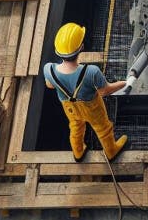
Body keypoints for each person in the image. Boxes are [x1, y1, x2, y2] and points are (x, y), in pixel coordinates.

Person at [44, 22, 130, 162]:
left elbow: (49, 85)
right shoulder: (91, 72)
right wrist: (124, 83)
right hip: (92, 107)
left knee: (76, 127)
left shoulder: (49, 69)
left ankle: (78, 152)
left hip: (69, 107)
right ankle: (111, 151)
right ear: (81, 47)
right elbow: (105, 91)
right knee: (103, 128)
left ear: (57, 50)